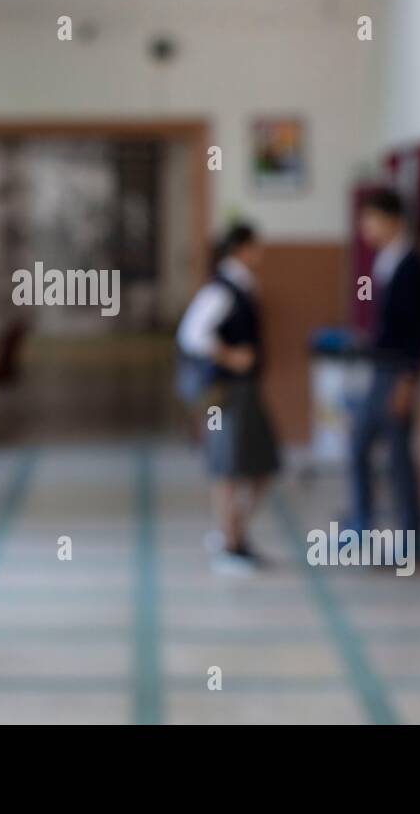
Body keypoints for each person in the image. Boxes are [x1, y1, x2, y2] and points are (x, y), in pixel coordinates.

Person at [176, 222, 280, 575]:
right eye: (255, 246)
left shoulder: (243, 286)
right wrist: (230, 356)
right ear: (241, 249)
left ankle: (233, 533)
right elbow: (192, 335)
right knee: (227, 467)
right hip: (225, 393)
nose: (260, 253)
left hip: (246, 391)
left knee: (261, 465)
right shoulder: (221, 290)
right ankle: (229, 544)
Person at [347, 188, 420, 553]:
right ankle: (363, 526)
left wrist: (406, 383)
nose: (365, 227)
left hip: (397, 374)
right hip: (381, 370)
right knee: (360, 447)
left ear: (395, 220)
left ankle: (410, 541)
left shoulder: (413, 267)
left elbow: (416, 334)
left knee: (398, 458)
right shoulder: (384, 260)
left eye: (372, 219)